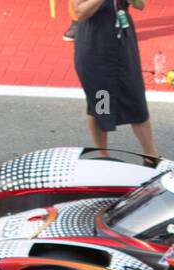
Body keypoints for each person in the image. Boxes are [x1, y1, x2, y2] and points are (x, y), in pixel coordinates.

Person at [72, 0, 158, 156]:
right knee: (100, 102)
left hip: (123, 46)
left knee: (135, 98)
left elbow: (140, 5)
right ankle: (103, 155)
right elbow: (80, 12)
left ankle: (151, 156)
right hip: (95, 48)